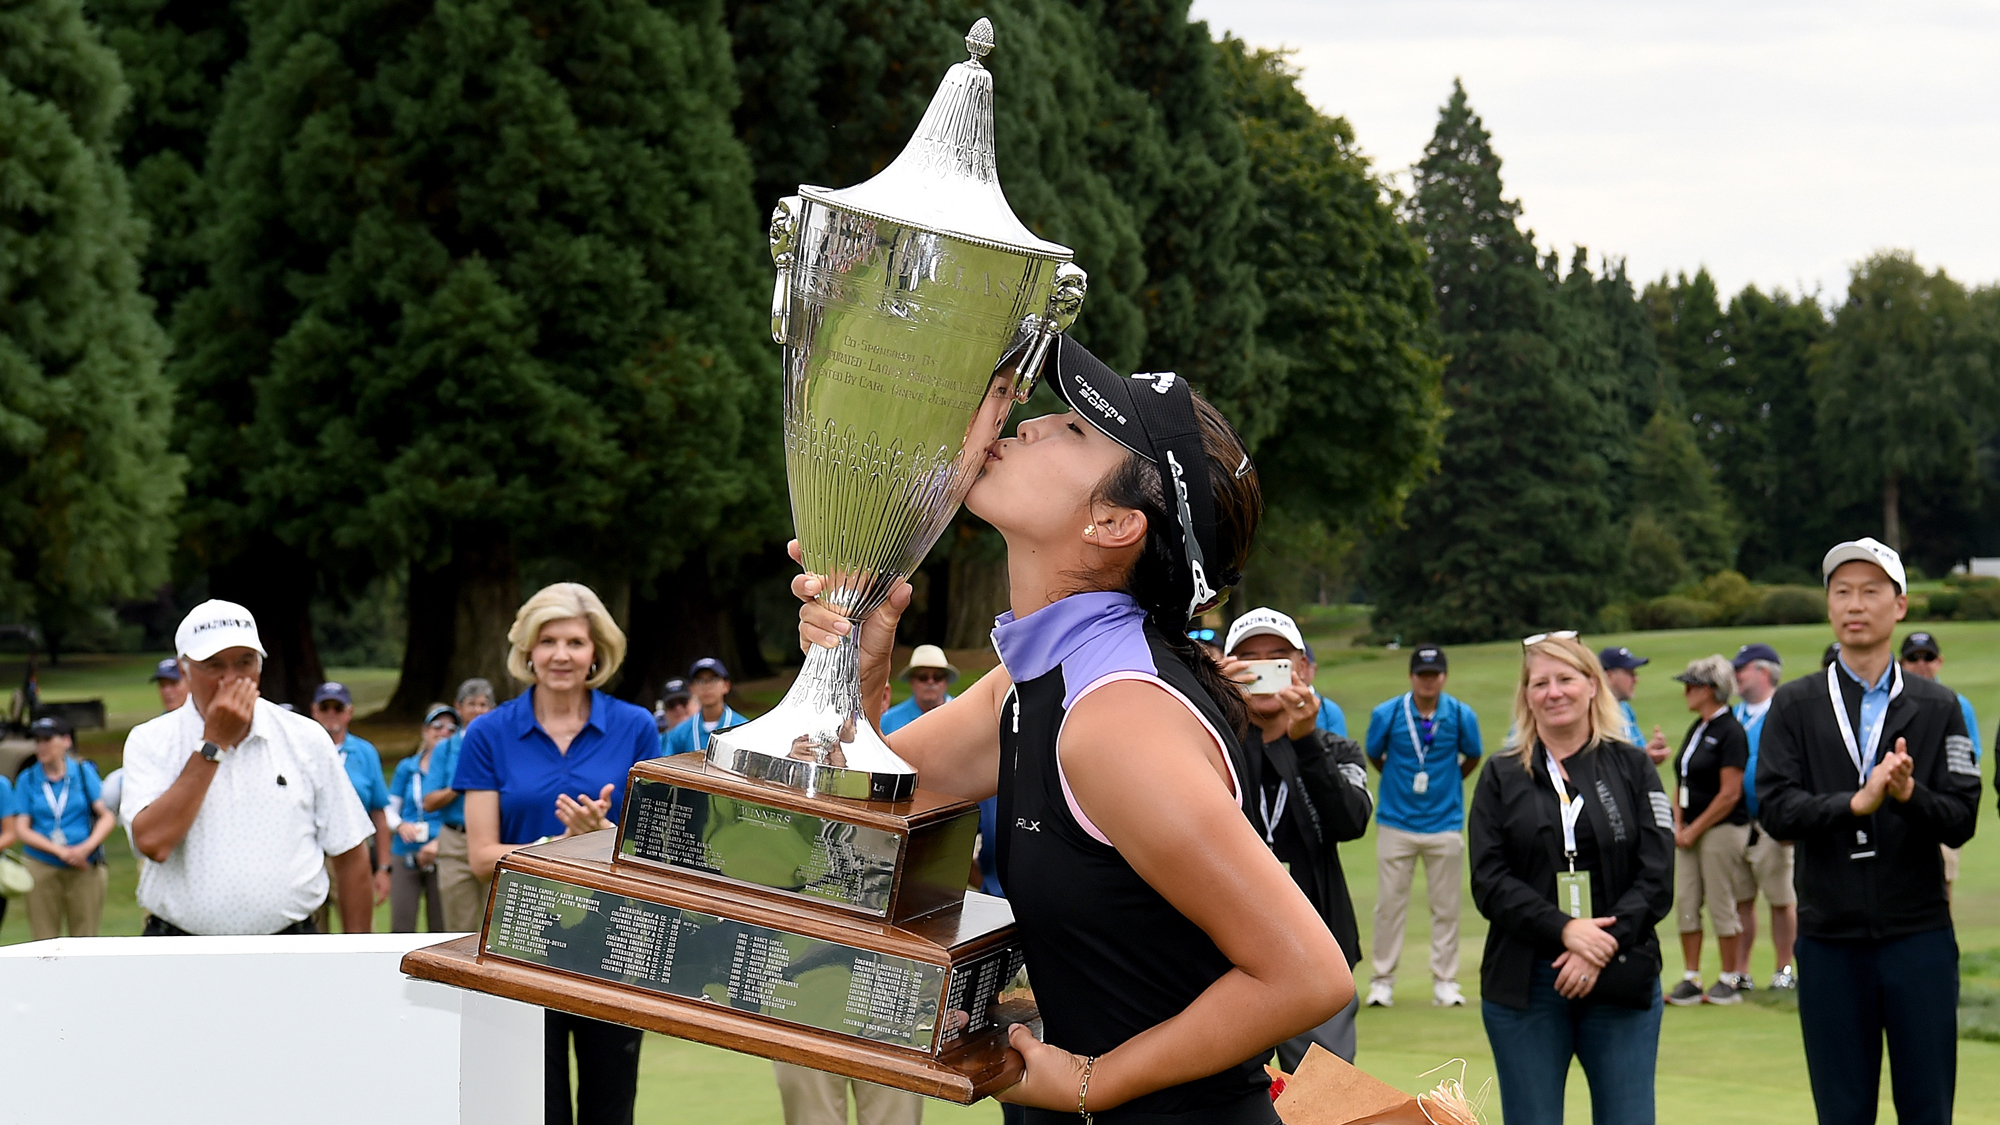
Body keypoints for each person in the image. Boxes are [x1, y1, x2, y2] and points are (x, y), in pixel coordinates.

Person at [792, 337, 1348, 1121]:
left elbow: (1307, 974)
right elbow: (861, 807)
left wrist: (1094, 1081)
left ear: (1114, 523)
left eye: (1077, 430)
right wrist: (863, 665)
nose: (1032, 423)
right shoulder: (1039, 679)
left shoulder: (1113, 718)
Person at [1757, 538, 1979, 1125]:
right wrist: (1853, 804)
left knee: (1927, 1109)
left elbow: (1962, 821)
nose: (1855, 604)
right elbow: (1775, 811)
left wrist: (1908, 797)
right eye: (1842, 592)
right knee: (1842, 1111)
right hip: (1830, 941)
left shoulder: (1939, 706)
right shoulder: (1795, 705)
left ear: (1899, 606)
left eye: (1871, 591)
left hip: (1919, 936)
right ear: (1829, 606)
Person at [452, 583, 661, 1125]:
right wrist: (563, 848)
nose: (561, 655)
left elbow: (654, 853)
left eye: (575, 641)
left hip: (615, 947)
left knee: (609, 1112)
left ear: (598, 652)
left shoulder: (636, 726)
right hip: (523, 945)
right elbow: (480, 856)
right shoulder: (488, 733)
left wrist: (603, 833)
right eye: (548, 641)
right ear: (527, 649)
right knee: (534, 1111)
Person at [1469, 633, 1672, 1125]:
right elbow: (1488, 879)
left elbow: (1658, 872)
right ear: (1526, 695)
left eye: (1566, 679)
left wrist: (1600, 941)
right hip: (1524, 983)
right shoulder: (1500, 775)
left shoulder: (1633, 765)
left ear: (1591, 686)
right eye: (1540, 682)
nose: (1553, 692)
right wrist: (1565, 930)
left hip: (1620, 970)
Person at [771, 648, 961, 1125]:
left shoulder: (919, 776)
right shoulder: (778, 780)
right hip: (802, 984)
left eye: (851, 697)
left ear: (884, 696)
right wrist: (795, 793)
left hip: (888, 986)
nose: (838, 714)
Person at [124, 600, 376, 935]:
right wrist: (213, 744)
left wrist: (355, 961)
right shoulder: (151, 740)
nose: (232, 679)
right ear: (185, 668)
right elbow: (154, 842)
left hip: (291, 946)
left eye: (245, 662)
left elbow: (350, 853)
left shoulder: (305, 737)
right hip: (179, 947)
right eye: (214, 665)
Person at [1222, 607, 1373, 1066]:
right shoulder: (1208, 749)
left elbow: (1351, 821)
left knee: (1326, 1100)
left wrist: (1305, 742)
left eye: (1278, 660)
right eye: (1249, 662)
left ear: (1305, 669)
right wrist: (1216, 703)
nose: (1265, 671)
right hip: (1225, 954)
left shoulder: (1334, 749)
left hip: (1318, 950)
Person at [1362, 644, 1483, 1008]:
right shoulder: (1388, 713)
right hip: (1396, 821)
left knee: (1445, 907)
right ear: (1411, 676)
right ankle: (1382, 981)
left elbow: (1472, 754)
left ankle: (1445, 982)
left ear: (1444, 677)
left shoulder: (1461, 715)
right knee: (1388, 906)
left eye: (1434, 675)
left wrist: (1445, 782)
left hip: (1444, 822)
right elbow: (1374, 753)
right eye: (1422, 675)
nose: (1428, 681)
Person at [1663, 655, 1753, 1006]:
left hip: (1721, 829)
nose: (1685, 691)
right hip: (1690, 830)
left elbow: (1729, 794)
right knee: (1686, 899)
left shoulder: (1730, 731)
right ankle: (1691, 976)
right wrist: (1678, 823)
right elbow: (1682, 779)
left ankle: (1729, 977)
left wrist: (1693, 828)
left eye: (1692, 685)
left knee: (1720, 900)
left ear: (1712, 690)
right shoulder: (1698, 728)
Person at [1728, 642, 1796, 992]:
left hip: (1773, 822)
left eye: (1742, 668)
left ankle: (1783, 969)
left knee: (1781, 898)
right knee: (1742, 900)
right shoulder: (1733, 716)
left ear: (1764, 671)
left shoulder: (1783, 711)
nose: (1735, 675)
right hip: (1737, 822)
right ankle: (1741, 971)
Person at [12, 716, 114, 938]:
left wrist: (86, 848)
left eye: (48, 739)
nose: (42, 746)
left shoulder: (83, 772)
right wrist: (60, 851)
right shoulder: (28, 778)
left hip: (84, 864)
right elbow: (22, 828)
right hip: (43, 864)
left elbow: (106, 815)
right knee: (44, 939)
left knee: (85, 937)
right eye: (38, 740)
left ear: (66, 741)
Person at [1898, 631, 1980, 894]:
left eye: (1928, 657)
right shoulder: (1892, 702)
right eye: (1913, 658)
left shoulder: (1956, 704)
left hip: (1941, 804)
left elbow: (1969, 756)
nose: (1921, 664)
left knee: (1941, 886)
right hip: (1901, 809)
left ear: (1939, 661)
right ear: (1901, 663)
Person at [310, 681, 392, 930]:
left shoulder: (364, 752)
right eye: (325, 707)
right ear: (314, 711)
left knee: (359, 933)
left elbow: (378, 812)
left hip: (353, 852)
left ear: (349, 712)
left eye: (338, 707)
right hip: (311, 854)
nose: (331, 713)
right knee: (309, 938)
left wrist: (383, 868)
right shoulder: (303, 748)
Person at [423, 677, 497, 931]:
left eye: (484, 704)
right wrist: (459, 786)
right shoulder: (445, 749)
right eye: (471, 704)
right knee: (459, 928)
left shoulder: (500, 746)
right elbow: (429, 801)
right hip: (456, 842)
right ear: (459, 707)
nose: (478, 710)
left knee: (498, 926)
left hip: (497, 837)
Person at [387, 703, 458, 932]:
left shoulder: (459, 768)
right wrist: (399, 825)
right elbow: (390, 808)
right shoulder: (407, 767)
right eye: (437, 726)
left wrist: (441, 842)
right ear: (425, 731)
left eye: (451, 729)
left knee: (441, 927)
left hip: (442, 850)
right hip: (406, 849)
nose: (443, 733)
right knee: (401, 924)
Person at [1598, 646, 1671, 763]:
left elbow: (1636, 751)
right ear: (1609, 676)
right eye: (1630, 673)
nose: (1636, 679)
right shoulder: (1596, 714)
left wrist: (1649, 753)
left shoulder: (1626, 709)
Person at [659, 658, 745, 756]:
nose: (707, 686)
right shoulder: (680, 733)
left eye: (713, 679)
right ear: (691, 689)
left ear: (726, 686)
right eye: (700, 681)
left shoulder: (743, 728)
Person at [1300, 643, 1347, 737]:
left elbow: (1338, 749)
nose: (1299, 672)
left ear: (1314, 670)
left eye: (1304, 666)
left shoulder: (1329, 710)